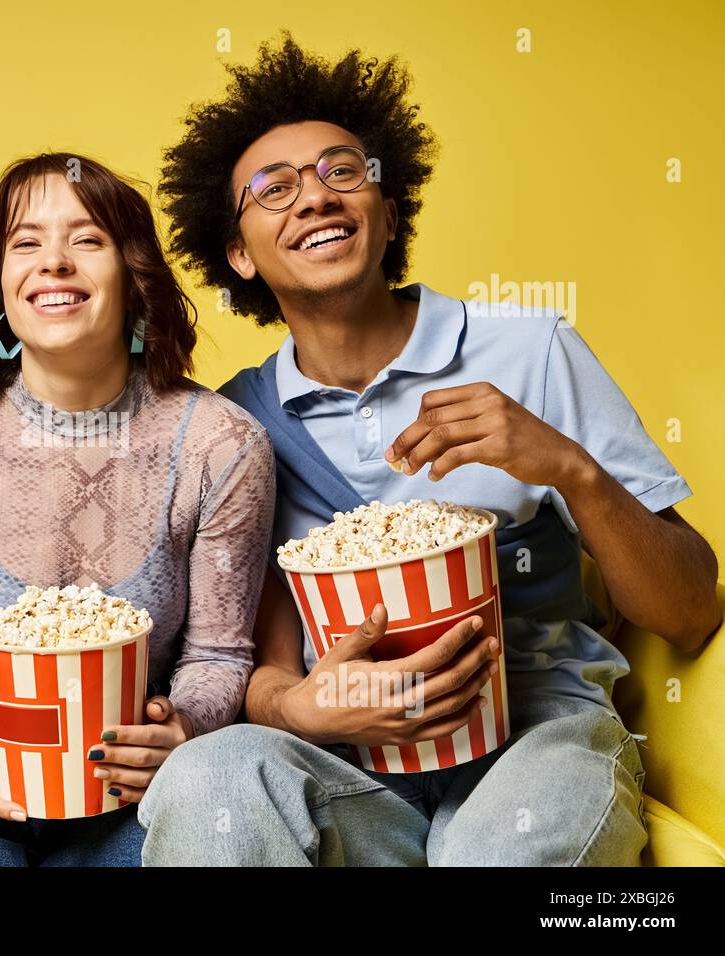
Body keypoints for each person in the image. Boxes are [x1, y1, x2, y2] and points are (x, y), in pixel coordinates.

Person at [138, 33, 721, 866]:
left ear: (389, 206)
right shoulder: (232, 424)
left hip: (535, 739)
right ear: (237, 253)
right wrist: (306, 710)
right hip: (355, 779)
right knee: (208, 778)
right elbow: (259, 669)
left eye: (343, 171)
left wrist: (568, 468)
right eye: (275, 190)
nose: (314, 198)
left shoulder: (530, 348)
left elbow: (691, 611)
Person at [0, 152, 276, 866]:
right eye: (25, 243)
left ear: (134, 273)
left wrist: (177, 730)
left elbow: (217, 654)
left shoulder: (222, 443)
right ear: (0, 283)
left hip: (130, 751)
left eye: (86, 240)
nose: (53, 262)